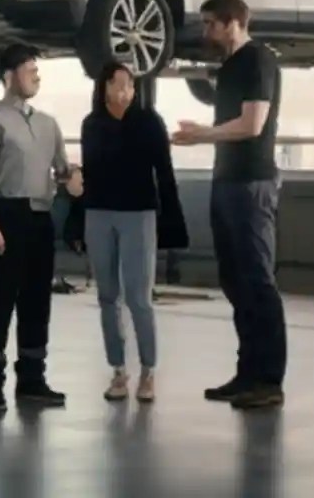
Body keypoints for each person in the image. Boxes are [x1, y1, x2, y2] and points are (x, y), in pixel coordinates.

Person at [171, 0, 287, 410]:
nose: (206, 32)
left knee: (257, 280)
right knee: (235, 280)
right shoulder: (232, 66)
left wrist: (203, 133)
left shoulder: (258, 61)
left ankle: (268, 381)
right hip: (228, 181)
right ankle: (248, 374)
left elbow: (253, 124)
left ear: (233, 22)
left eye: (210, 24)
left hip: (251, 185)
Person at [0, 43, 81, 413]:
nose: (36, 74)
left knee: (37, 301)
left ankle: (32, 380)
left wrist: (75, 179)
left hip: (40, 218)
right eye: (29, 68)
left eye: (37, 68)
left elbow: (65, 173)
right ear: (8, 76)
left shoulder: (49, 124)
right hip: (7, 214)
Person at [77, 61, 188, 403]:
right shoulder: (92, 124)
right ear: (105, 87)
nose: (126, 91)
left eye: (130, 85)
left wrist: (172, 222)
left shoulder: (149, 123)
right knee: (107, 296)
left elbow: (164, 174)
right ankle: (118, 371)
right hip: (99, 214)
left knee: (139, 297)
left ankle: (149, 371)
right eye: (119, 84)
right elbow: (89, 173)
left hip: (138, 214)